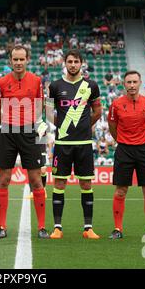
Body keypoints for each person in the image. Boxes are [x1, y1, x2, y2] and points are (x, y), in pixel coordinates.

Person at [0, 45, 49, 239]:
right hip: (7, 132)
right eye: (15, 59)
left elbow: (41, 106)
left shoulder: (36, 81)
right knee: (4, 179)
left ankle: (41, 227)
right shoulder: (1, 82)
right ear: (10, 61)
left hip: (30, 133)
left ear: (27, 60)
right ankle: (1, 226)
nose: (18, 63)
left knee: (35, 180)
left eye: (21, 59)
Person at [47, 50, 102, 240]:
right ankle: (57, 228)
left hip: (84, 143)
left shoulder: (91, 85)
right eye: (69, 61)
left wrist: (85, 126)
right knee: (59, 183)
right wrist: (62, 126)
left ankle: (88, 228)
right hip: (62, 143)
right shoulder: (55, 86)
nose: (72, 65)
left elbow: (97, 111)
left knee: (86, 183)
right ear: (64, 63)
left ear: (81, 63)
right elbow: (47, 110)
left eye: (76, 61)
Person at [107, 70, 145, 240]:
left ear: (139, 83)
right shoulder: (116, 104)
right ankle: (117, 229)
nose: (131, 85)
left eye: (134, 82)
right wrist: (122, 141)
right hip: (124, 150)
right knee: (121, 191)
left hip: (144, 150)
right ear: (124, 84)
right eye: (128, 82)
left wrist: (144, 139)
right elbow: (112, 126)